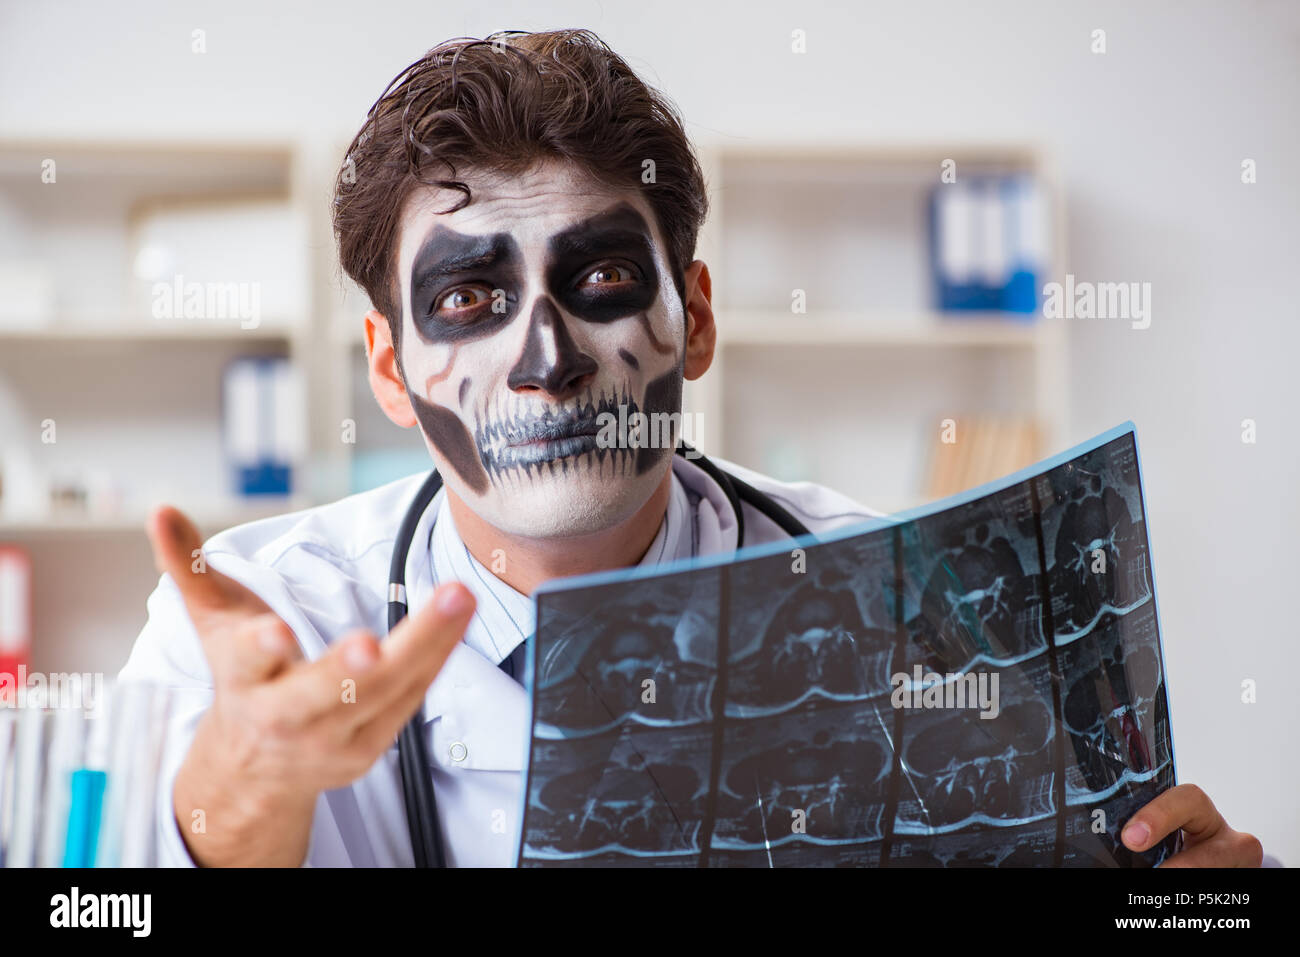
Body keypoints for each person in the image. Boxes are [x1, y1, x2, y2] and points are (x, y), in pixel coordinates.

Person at [118, 28, 1262, 868]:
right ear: (389, 370)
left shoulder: (916, 608)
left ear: (696, 319)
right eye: (467, 298)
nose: (546, 361)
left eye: (603, 277)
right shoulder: (260, 629)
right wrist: (238, 796)